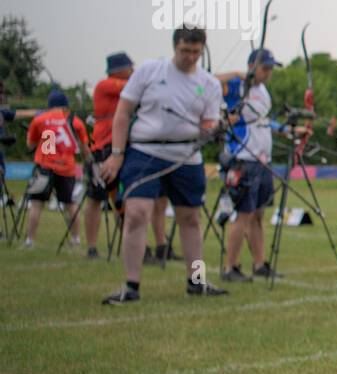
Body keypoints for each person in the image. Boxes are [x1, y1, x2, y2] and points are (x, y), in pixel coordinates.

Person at [97, 25, 227, 304]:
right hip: (145, 151)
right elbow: (123, 112)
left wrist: (213, 129)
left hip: (187, 156)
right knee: (136, 213)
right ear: (174, 47)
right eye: (185, 50)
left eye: (196, 52)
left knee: (191, 218)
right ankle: (131, 285)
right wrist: (117, 154)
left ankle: (197, 281)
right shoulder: (149, 71)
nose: (190, 57)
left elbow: (208, 124)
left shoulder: (210, 84)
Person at [216, 48, 282, 282]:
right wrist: (237, 74)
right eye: (265, 68)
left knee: (257, 215)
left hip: (262, 160)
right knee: (242, 215)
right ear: (252, 66)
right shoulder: (237, 86)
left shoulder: (263, 91)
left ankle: (259, 263)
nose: (268, 73)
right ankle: (230, 267)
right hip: (243, 158)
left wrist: (286, 130)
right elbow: (206, 81)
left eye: (271, 69)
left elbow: (263, 120)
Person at [22, 90, 90, 248]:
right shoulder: (76, 122)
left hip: (45, 167)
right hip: (67, 168)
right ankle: (75, 239)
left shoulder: (41, 120)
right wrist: (88, 162)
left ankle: (30, 240)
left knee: (37, 203)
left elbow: (30, 145)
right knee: (70, 204)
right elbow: (84, 147)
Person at [83, 52, 133, 259]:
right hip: (102, 148)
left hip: (119, 147)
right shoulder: (105, 85)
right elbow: (135, 85)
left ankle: (130, 244)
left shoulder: (124, 87)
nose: (133, 71)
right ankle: (92, 247)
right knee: (96, 198)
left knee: (122, 198)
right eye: (130, 68)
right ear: (118, 71)